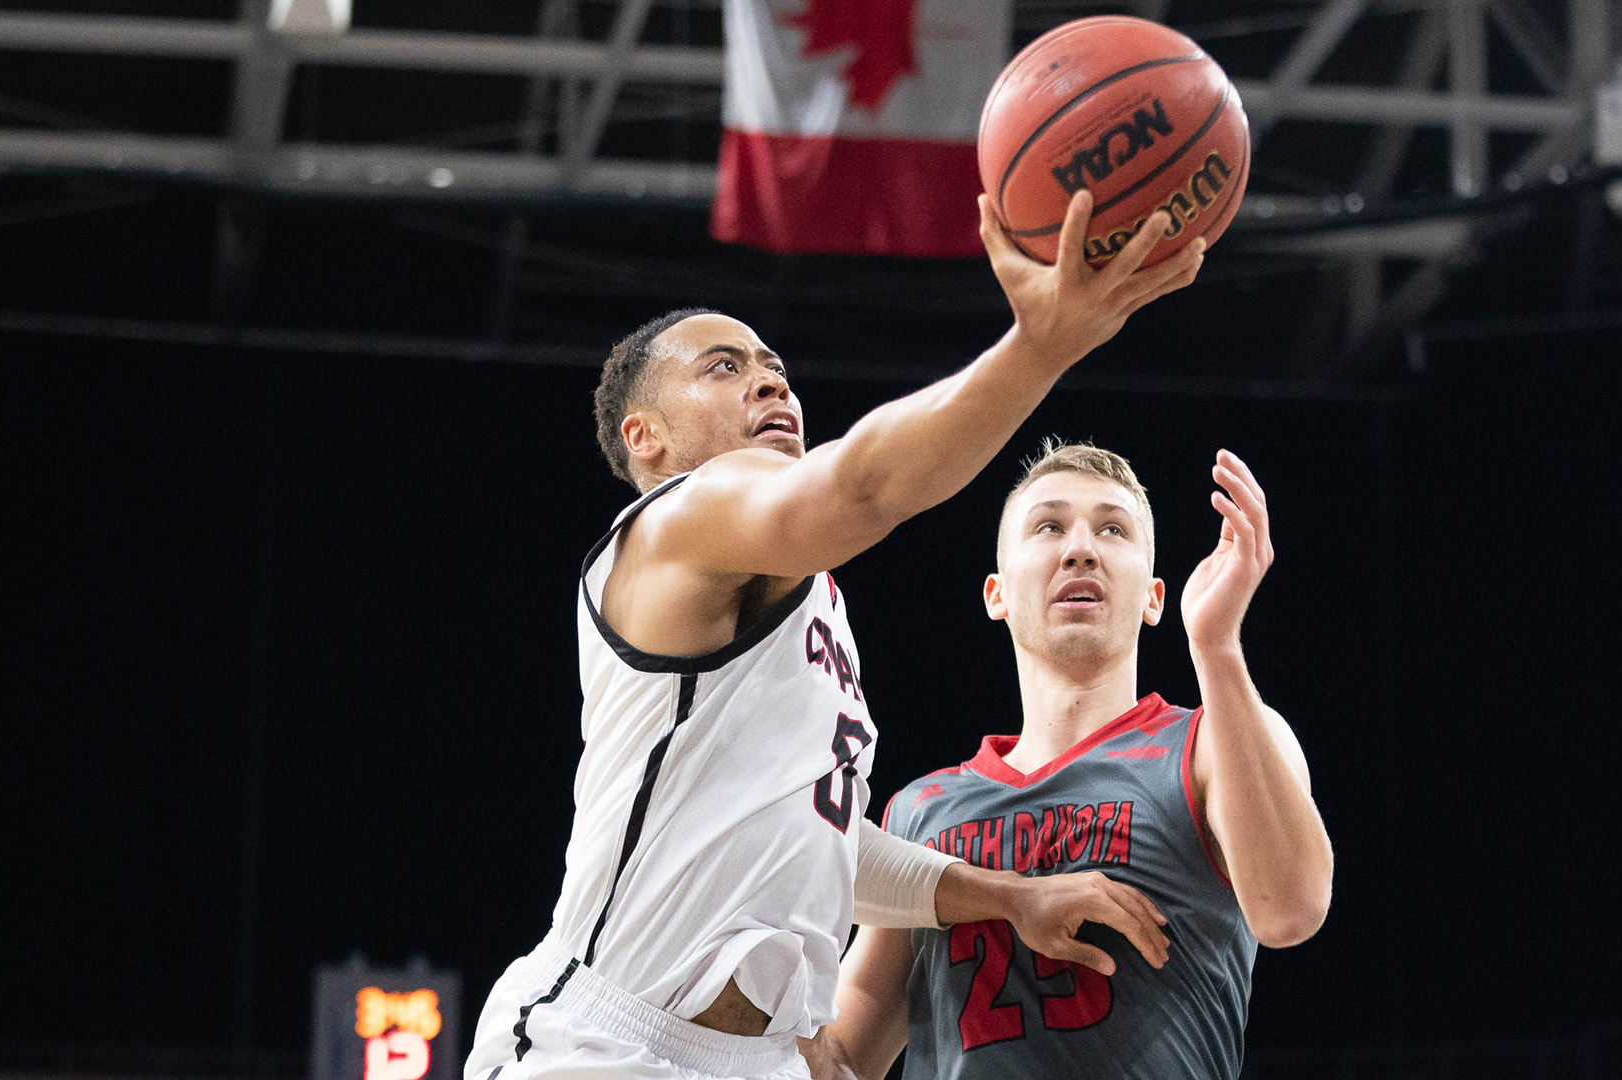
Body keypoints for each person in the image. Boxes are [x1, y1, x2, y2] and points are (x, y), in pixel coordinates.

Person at [463, 194, 1206, 1080]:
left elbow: (825, 841)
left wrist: (1006, 898)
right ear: (646, 440)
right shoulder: (674, 525)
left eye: (774, 365)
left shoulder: (806, 601)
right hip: (602, 1045)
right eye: (724, 367)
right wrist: (1039, 346)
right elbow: (863, 488)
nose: (771, 381)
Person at [806, 442, 1334, 1080]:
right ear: (996, 594)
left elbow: (1290, 910)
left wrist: (1216, 644)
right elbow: (845, 1052)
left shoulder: (1212, 744)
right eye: (1049, 526)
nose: (1080, 548)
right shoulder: (920, 809)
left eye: (1112, 529)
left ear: (1154, 597)